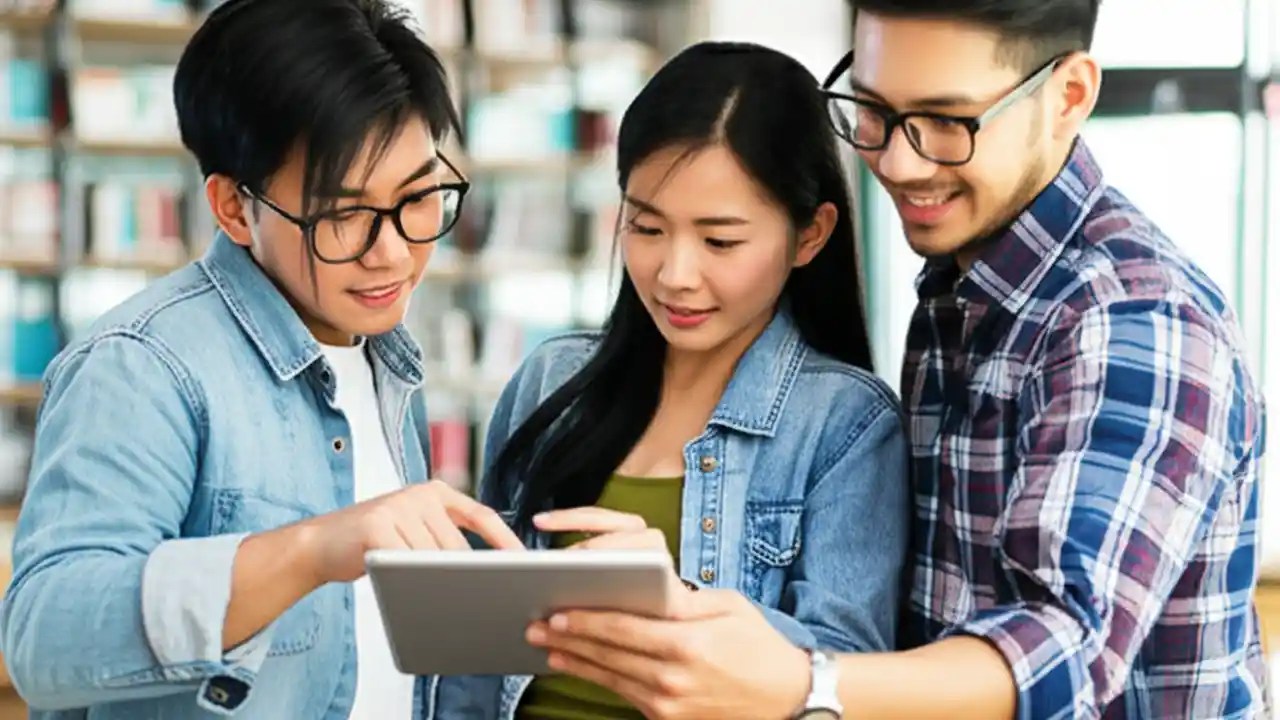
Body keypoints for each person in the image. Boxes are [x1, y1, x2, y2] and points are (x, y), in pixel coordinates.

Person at [519, 1, 1270, 719]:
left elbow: (1062, 654)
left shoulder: (1132, 319)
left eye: (945, 122)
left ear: (1068, 94)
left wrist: (794, 677)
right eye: (873, 111)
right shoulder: (959, 294)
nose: (899, 163)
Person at [0, 1, 523, 718]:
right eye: (343, 215)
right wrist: (309, 550)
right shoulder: (141, 366)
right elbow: (45, 638)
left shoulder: (385, 360)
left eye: (418, 198)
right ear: (234, 209)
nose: (394, 253)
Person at [430, 40, 911, 720]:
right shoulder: (550, 381)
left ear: (811, 234)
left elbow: (844, 675)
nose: (674, 273)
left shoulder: (845, 423)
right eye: (647, 226)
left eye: (720, 241)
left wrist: (678, 601)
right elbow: (474, 665)